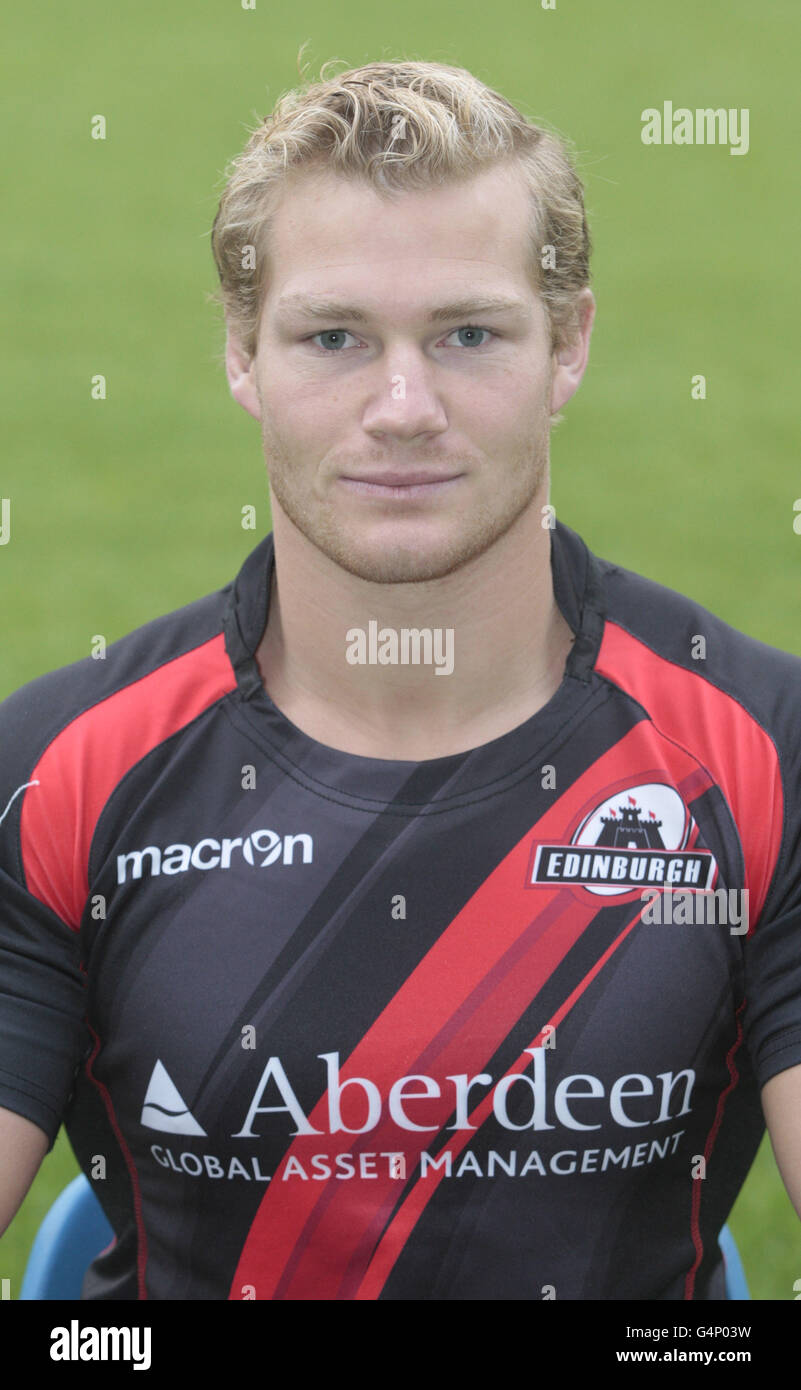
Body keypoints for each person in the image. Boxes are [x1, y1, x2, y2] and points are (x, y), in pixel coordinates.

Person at [1, 57, 799, 1302]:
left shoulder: (764, 754)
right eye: (334, 338)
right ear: (242, 352)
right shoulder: (56, 771)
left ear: (569, 344)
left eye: (469, 334)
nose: (403, 406)